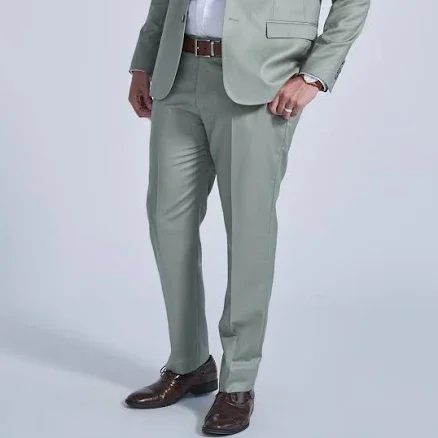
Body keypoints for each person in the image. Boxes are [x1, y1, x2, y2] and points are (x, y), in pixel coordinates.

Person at [125, 0, 370, 434]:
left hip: (262, 79)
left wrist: (314, 75)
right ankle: (189, 363)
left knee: (248, 230)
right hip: (177, 70)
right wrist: (144, 62)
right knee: (166, 220)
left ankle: (237, 382)